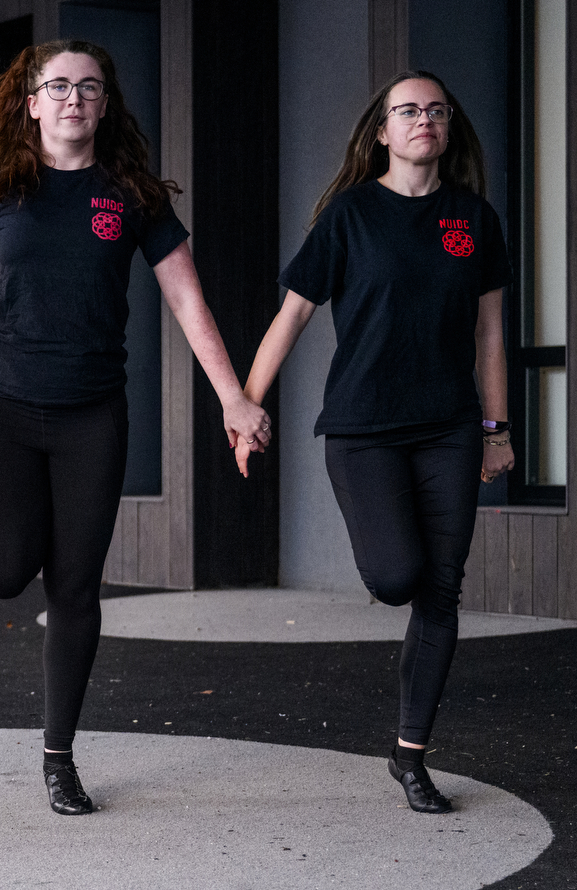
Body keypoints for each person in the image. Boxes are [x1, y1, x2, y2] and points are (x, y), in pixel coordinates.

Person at [0, 39, 270, 817]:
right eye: (59, 86)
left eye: (89, 87)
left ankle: (59, 758)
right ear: (32, 101)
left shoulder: (133, 196)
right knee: (1, 572)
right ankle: (19, 518)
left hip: (92, 417)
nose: (74, 98)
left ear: (105, 105)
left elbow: (188, 302)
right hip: (6, 410)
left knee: (76, 589)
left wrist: (233, 399)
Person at [236, 71, 513, 814]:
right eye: (407, 110)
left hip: (451, 427)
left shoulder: (474, 220)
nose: (423, 119)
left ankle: (411, 755)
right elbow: (291, 317)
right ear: (382, 133)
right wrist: (245, 405)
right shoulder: (349, 217)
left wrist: (496, 429)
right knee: (396, 577)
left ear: (446, 128)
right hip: (364, 430)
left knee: (443, 592)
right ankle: (409, 723)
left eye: (436, 110)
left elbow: (490, 333)